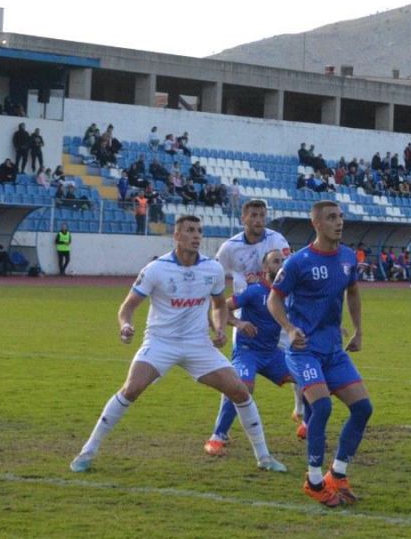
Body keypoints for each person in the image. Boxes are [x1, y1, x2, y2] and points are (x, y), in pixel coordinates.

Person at [70, 215, 285, 475]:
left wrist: (219, 327)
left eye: (199, 231)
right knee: (131, 389)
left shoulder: (212, 269)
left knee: (240, 391)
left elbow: (219, 305)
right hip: (161, 342)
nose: (196, 236)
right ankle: (87, 451)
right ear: (177, 236)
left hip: (198, 344)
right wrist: (125, 326)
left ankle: (264, 457)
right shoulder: (156, 269)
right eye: (190, 231)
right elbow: (127, 307)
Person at [269, 200, 372, 508]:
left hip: (333, 350)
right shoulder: (298, 262)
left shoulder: (347, 257)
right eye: (331, 218)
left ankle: (337, 474)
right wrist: (288, 329)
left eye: (340, 217)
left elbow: (352, 292)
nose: (338, 222)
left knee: (363, 408)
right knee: (322, 407)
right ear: (316, 224)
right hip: (304, 352)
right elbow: (273, 301)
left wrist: (358, 330)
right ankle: (314, 481)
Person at [213, 199, 300, 432]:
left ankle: (301, 412)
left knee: (300, 360)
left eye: (262, 215)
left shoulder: (277, 240)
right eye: (253, 215)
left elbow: (288, 271)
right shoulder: (229, 248)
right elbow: (214, 278)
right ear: (244, 218)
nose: (258, 220)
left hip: (278, 313)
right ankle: (221, 431)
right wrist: (232, 320)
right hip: (246, 315)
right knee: (239, 380)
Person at [205, 250, 297, 457]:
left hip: (272, 354)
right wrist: (238, 322)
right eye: (275, 261)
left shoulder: (287, 295)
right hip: (247, 352)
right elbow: (221, 307)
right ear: (265, 268)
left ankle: (307, 425)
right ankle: (218, 436)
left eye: (283, 261)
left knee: (307, 379)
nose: (281, 264)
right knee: (242, 386)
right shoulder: (254, 292)